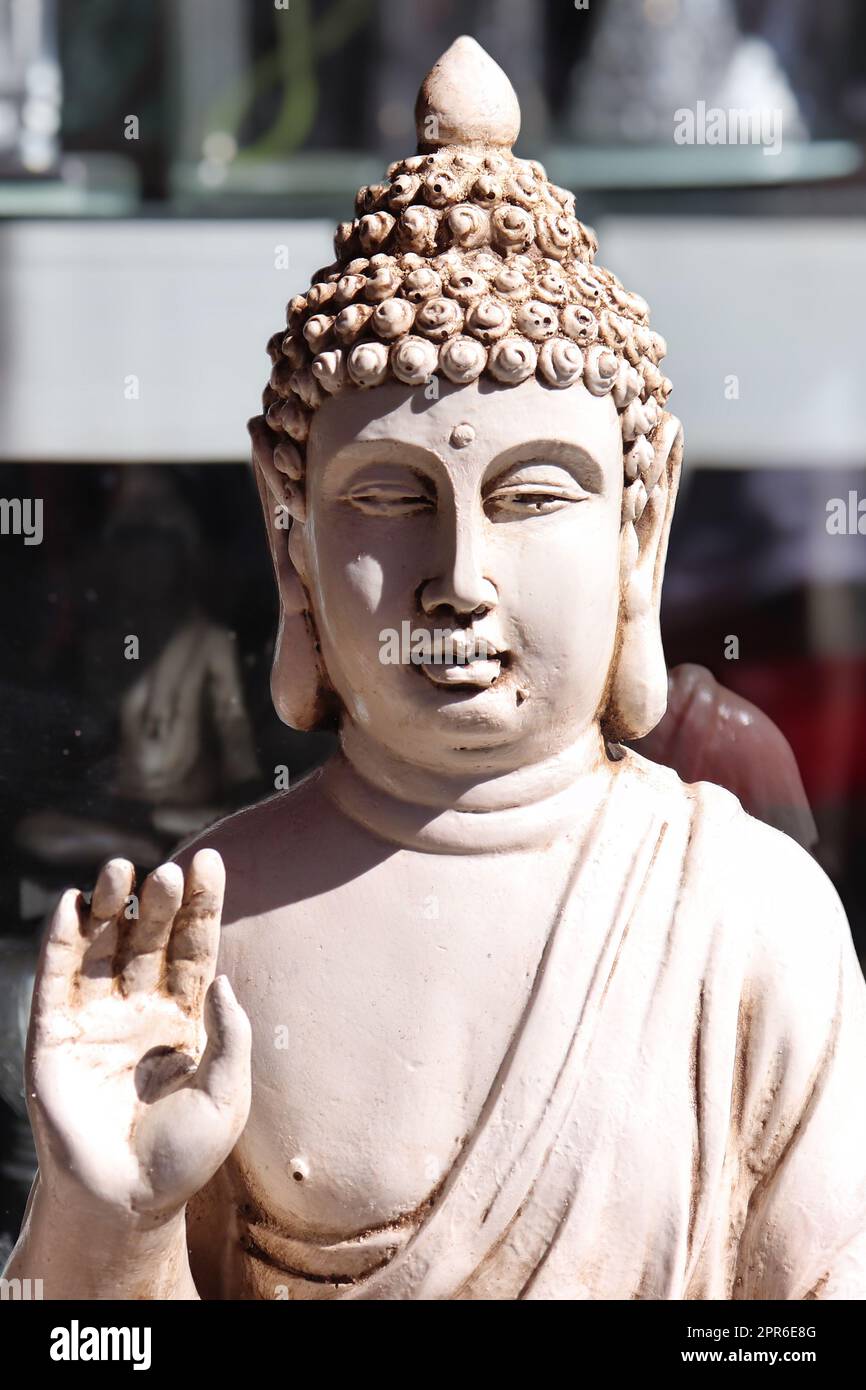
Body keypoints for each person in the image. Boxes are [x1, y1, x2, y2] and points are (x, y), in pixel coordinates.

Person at [5, 38, 866, 1300]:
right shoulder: (209, 934)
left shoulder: (746, 921)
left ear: (640, 524)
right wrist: (111, 1219)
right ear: (288, 533)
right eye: (391, 496)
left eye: (529, 494)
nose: (458, 573)